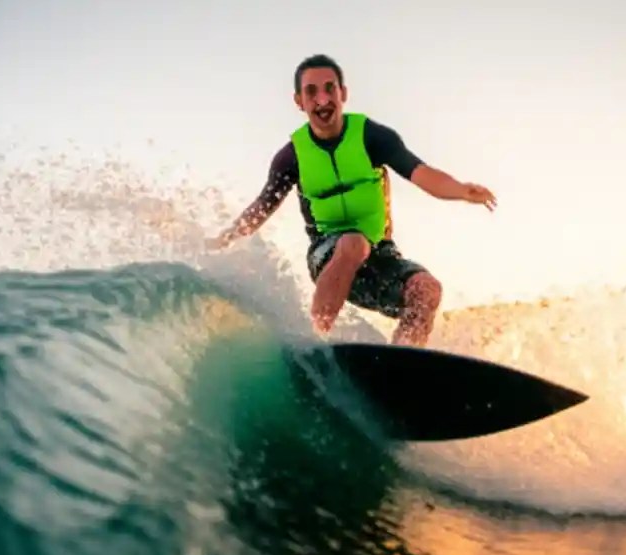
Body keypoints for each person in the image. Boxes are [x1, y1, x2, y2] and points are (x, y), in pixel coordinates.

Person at [209, 54, 497, 347]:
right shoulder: (291, 157)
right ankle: (315, 345)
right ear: (299, 101)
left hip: (380, 256)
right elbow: (261, 208)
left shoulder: (372, 137)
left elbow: (421, 173)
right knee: (352, 243)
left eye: (330, 89)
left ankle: (400, 363)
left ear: (343, 93)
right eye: (311, 92)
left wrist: (461, 190)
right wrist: (221, 241)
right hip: (327, 257)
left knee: (426, 290)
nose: (322, 99)